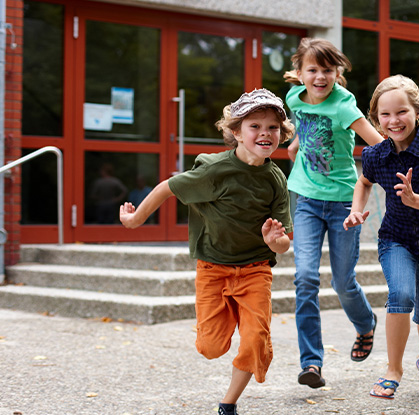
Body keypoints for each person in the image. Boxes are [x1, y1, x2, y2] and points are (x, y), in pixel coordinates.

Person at [120, 88, 293, 415]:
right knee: (211, 347)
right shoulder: (214, 170)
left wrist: (275, 241)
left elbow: (284, 243)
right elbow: (167, 188)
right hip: (213, 269)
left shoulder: (275, 180)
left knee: (255, 337)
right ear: (235, 133)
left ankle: (228, 404)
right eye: (255, 126)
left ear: (281, 135)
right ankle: (234, 330)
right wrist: (135, 220)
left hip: (256, 270)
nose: (264, 133)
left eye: (272, 127)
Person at [343, 75, 419, 399]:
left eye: (401, 112)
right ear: (376, 118)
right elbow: (364, 182)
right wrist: (356, 209)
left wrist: (416, 199)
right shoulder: (376, 155)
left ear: (417, 112)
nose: (393, 121)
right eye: (385, 114)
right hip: (395, 240)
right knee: (402, 295)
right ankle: (393, 369)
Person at [283, 37, 385, 389]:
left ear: (337, 72)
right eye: (312, 70)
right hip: (307, 201)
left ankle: (366, 323)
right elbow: (303, 128)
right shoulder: (293, 98)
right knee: (305, 279)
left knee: (342, 282)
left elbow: (380, 144)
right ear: (299, 73)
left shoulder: (345, 107)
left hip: (344, 202)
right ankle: (312, 363)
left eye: (327, 70)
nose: (320, 77)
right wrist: (295, 147)